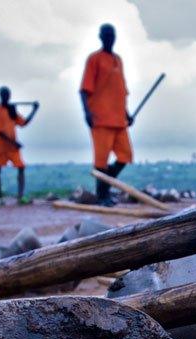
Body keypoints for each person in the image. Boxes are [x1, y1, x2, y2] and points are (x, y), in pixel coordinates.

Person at [80, 23, 133, 207]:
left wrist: (127, 114)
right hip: (100, 119)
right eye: (106, 34)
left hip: (119, 120)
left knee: (125, 156)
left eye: (112, 34)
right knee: (101, 162)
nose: (110, 37)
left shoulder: (118, 60)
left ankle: (105, 188)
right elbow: (84, 90)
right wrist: (86, 112)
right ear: (101, 37)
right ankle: (102, 196)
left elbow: (120, 92)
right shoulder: (94, 59)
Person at [0, 86, 39, 205]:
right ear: (0, 96)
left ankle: (20, 197)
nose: (6, 97)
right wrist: (14, 143)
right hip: (1, 145)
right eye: (4, 95)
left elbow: (23, 123)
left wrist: (34, 110)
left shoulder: (11, 109)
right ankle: (0, 198)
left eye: (8, 95)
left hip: (13, 147)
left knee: (21, 167)